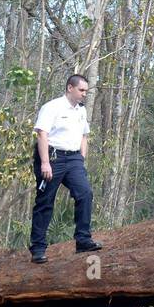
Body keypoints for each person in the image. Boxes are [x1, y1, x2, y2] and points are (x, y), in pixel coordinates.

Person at [28, 74, 101, 264]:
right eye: (81, 90)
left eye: (86, 91)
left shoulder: (81, 111)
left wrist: (81, 159)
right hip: (52, 157)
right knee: (45, 201)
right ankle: (38, 248)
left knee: (85, 193)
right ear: (70, 88)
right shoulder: (52, 107)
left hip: (74, 158)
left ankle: (83, 240)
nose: (85, 94)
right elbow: (42, 134)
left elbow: (84, 135)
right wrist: (45, 163)